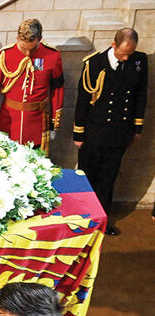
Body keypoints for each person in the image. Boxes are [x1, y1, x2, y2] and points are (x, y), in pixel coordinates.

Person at [73, 28, 147, 237]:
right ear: (113, 45)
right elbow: (83, 101)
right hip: (94, 133)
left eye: (130, 53)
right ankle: (83, 219)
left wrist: (137, 128)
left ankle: (102, 221)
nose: (126, 58)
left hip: (119, 133)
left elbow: (140, 96)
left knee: (108, 179)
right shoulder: (94, 64)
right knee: (87, 178)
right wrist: (78, 134)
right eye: (123, 53)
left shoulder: (139, 61)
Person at [0, 19, 64, 153]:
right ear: (17, 38)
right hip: (9, 122)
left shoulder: (52, 55)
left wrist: (53, 123)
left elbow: (57, 89)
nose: (28, 54)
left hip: (37, 124)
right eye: (24, 48)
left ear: (40, 39)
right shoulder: (4, 55)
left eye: (32, 49)